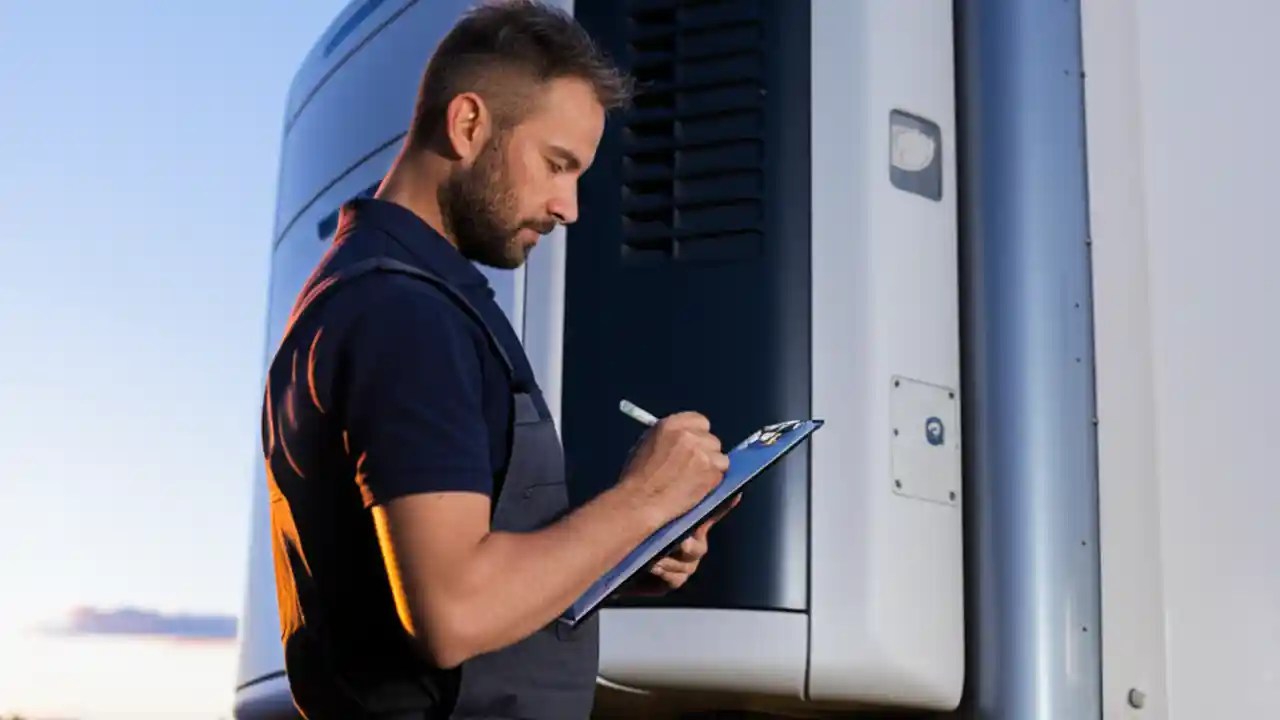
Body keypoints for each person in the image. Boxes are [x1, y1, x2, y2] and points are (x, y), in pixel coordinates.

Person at [260, 2, 736, 718]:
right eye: (557, 164)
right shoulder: (402, 315)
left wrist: (631, 543)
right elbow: (454, 611)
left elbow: (457, 580)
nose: (569, 206)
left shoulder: (388, 292)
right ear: (468, 125)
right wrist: (640, 499)